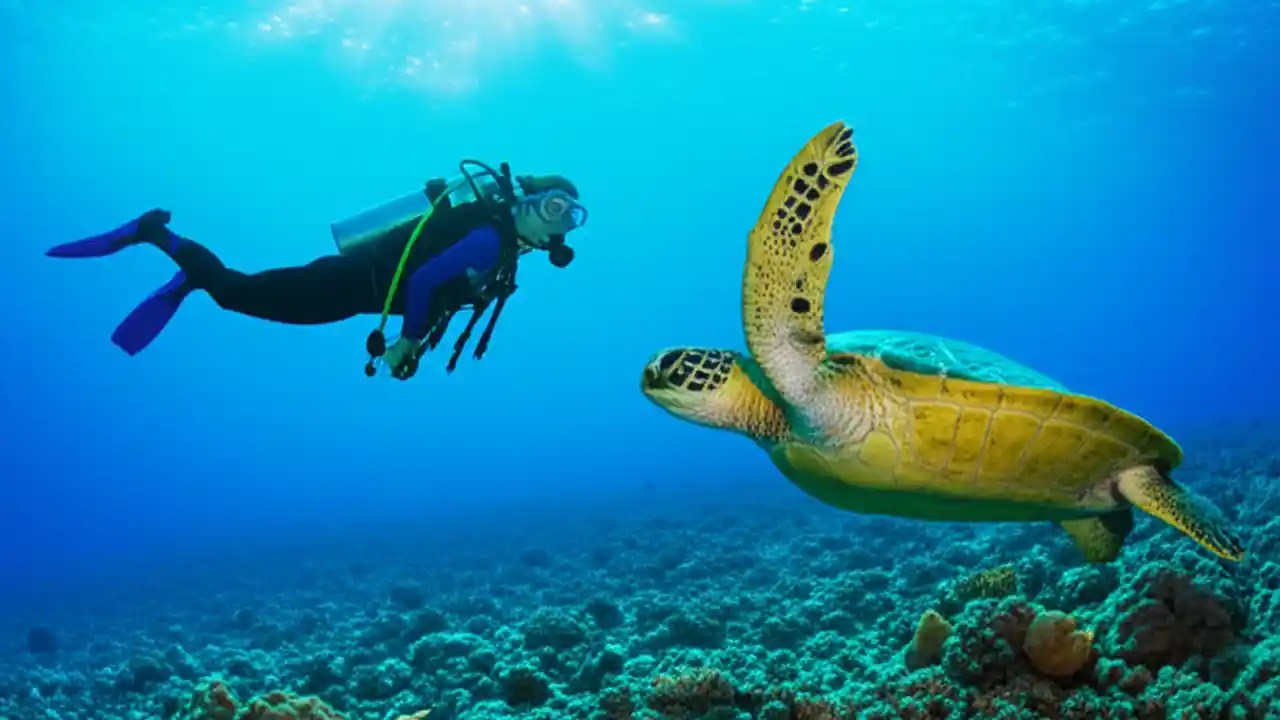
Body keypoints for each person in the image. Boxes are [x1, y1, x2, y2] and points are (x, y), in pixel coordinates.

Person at [46, 162, 588, 380]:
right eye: (552, 206)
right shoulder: (490, 237)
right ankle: (153, 233)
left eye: (568, 217)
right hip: (347, 285)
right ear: (529, 200)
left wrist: (413, 339)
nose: (557, 222)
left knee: (239, 291)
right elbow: (423, 282)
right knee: (234, 292)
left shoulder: (501, 247)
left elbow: (434, 284)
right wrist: (407, 342)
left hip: (351, 290)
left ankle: (188, 271)